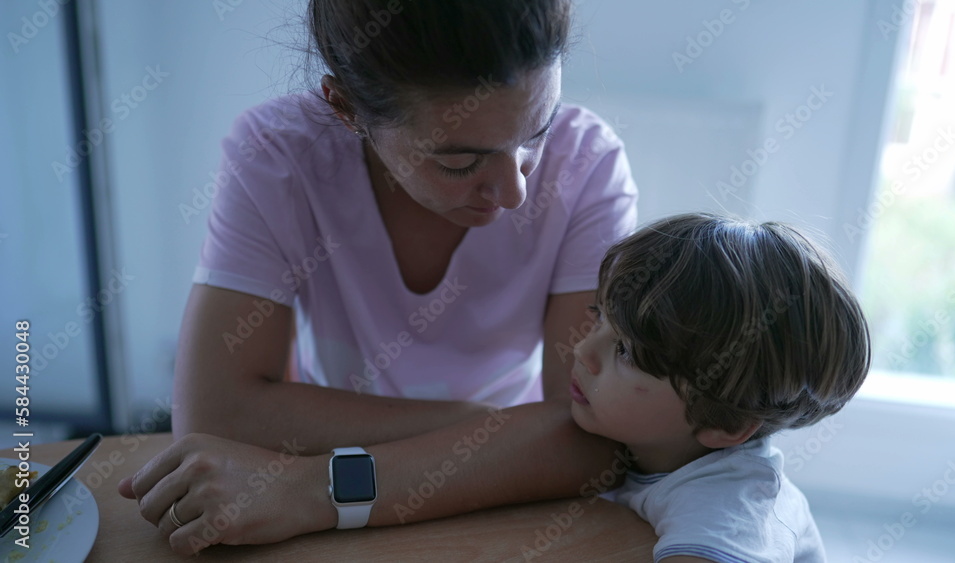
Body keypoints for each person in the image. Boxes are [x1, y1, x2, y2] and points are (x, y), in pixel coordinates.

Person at [117, 0, 640, 556]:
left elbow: (595, 437)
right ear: (346, 109)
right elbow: (213, 412)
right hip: (498, 473)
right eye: (460, 163)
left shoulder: (588, 164)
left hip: (496, 512)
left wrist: (316, 489)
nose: (515, 193)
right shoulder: (280, 154)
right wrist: (489, 430)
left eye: (538, 131)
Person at [568, 213, 871, 562]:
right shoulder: (657, 442)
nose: (582, 351)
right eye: (599, 318)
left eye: (625, 351)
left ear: (725, 425)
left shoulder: (728, 507)